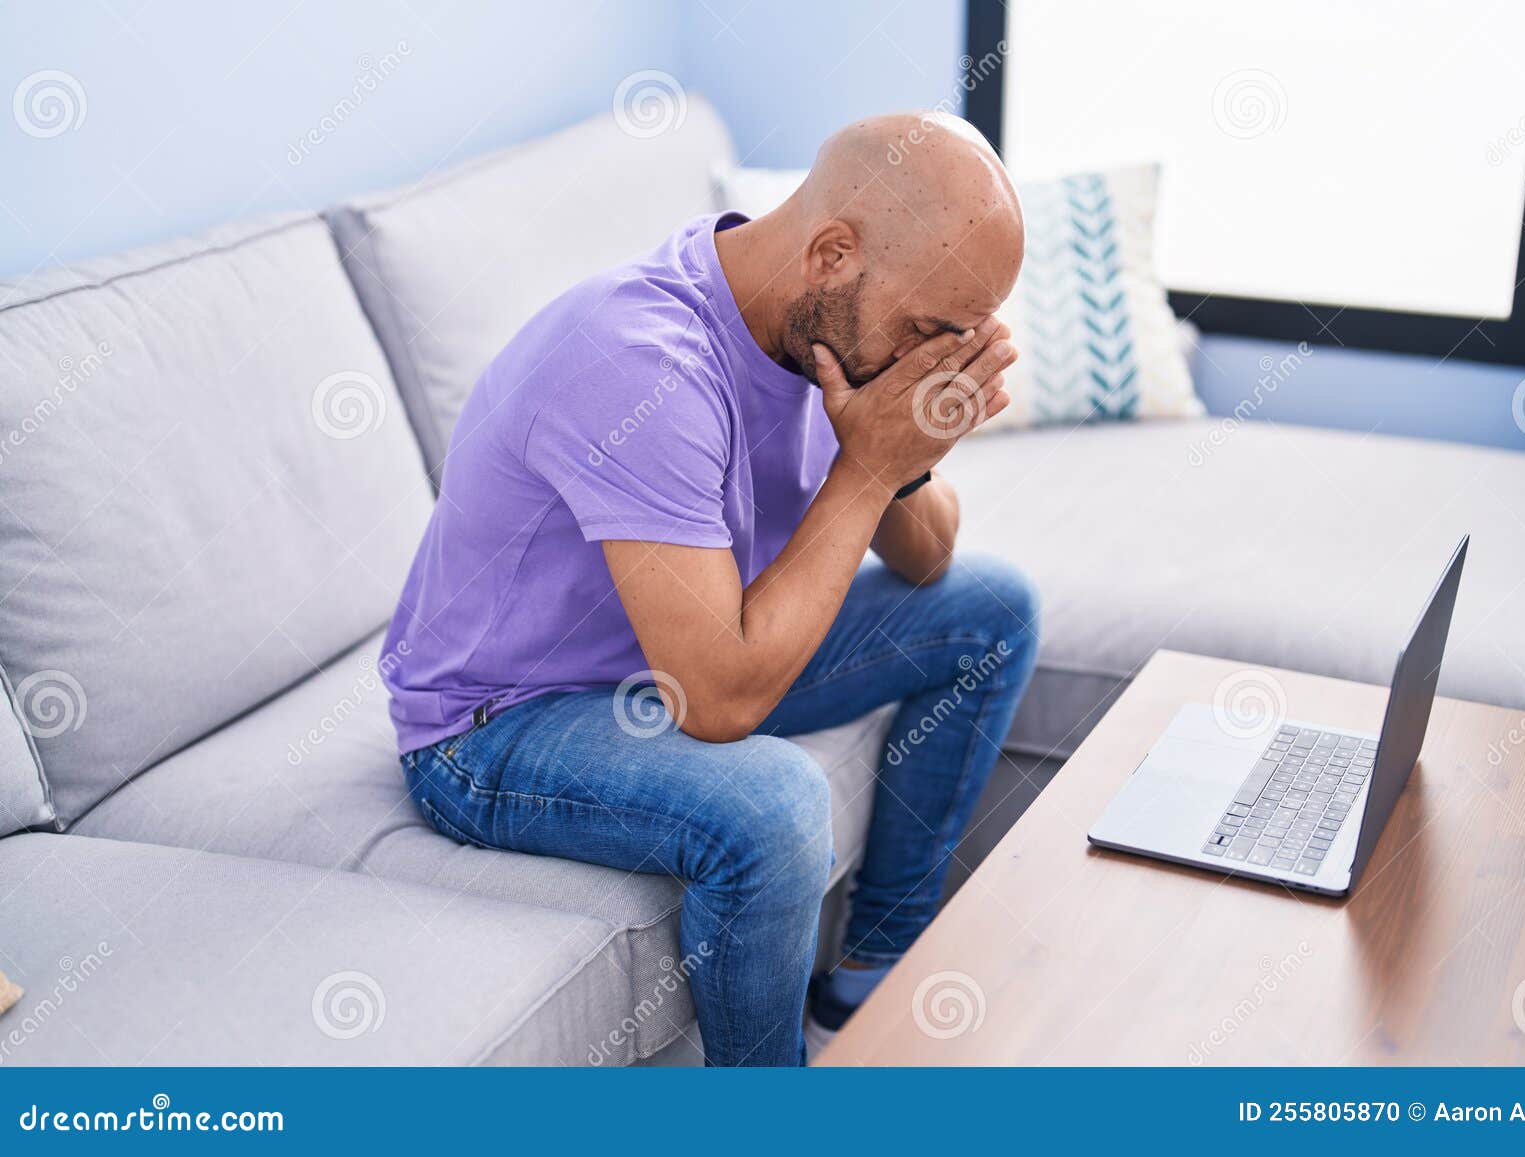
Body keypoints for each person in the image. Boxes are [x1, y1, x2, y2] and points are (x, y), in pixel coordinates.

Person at [382, 111, 1039, 1065]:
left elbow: (928, 560)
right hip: (499, 724)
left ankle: (867, 983)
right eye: (931, 330)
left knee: (991, 608)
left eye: (965, 335)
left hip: (673, 663)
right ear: (831, 253)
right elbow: (719, 699)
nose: (936, 357)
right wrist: (862, 469)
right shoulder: (640, 361)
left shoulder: (831, 326)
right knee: (774, 806)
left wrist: (900, 454)